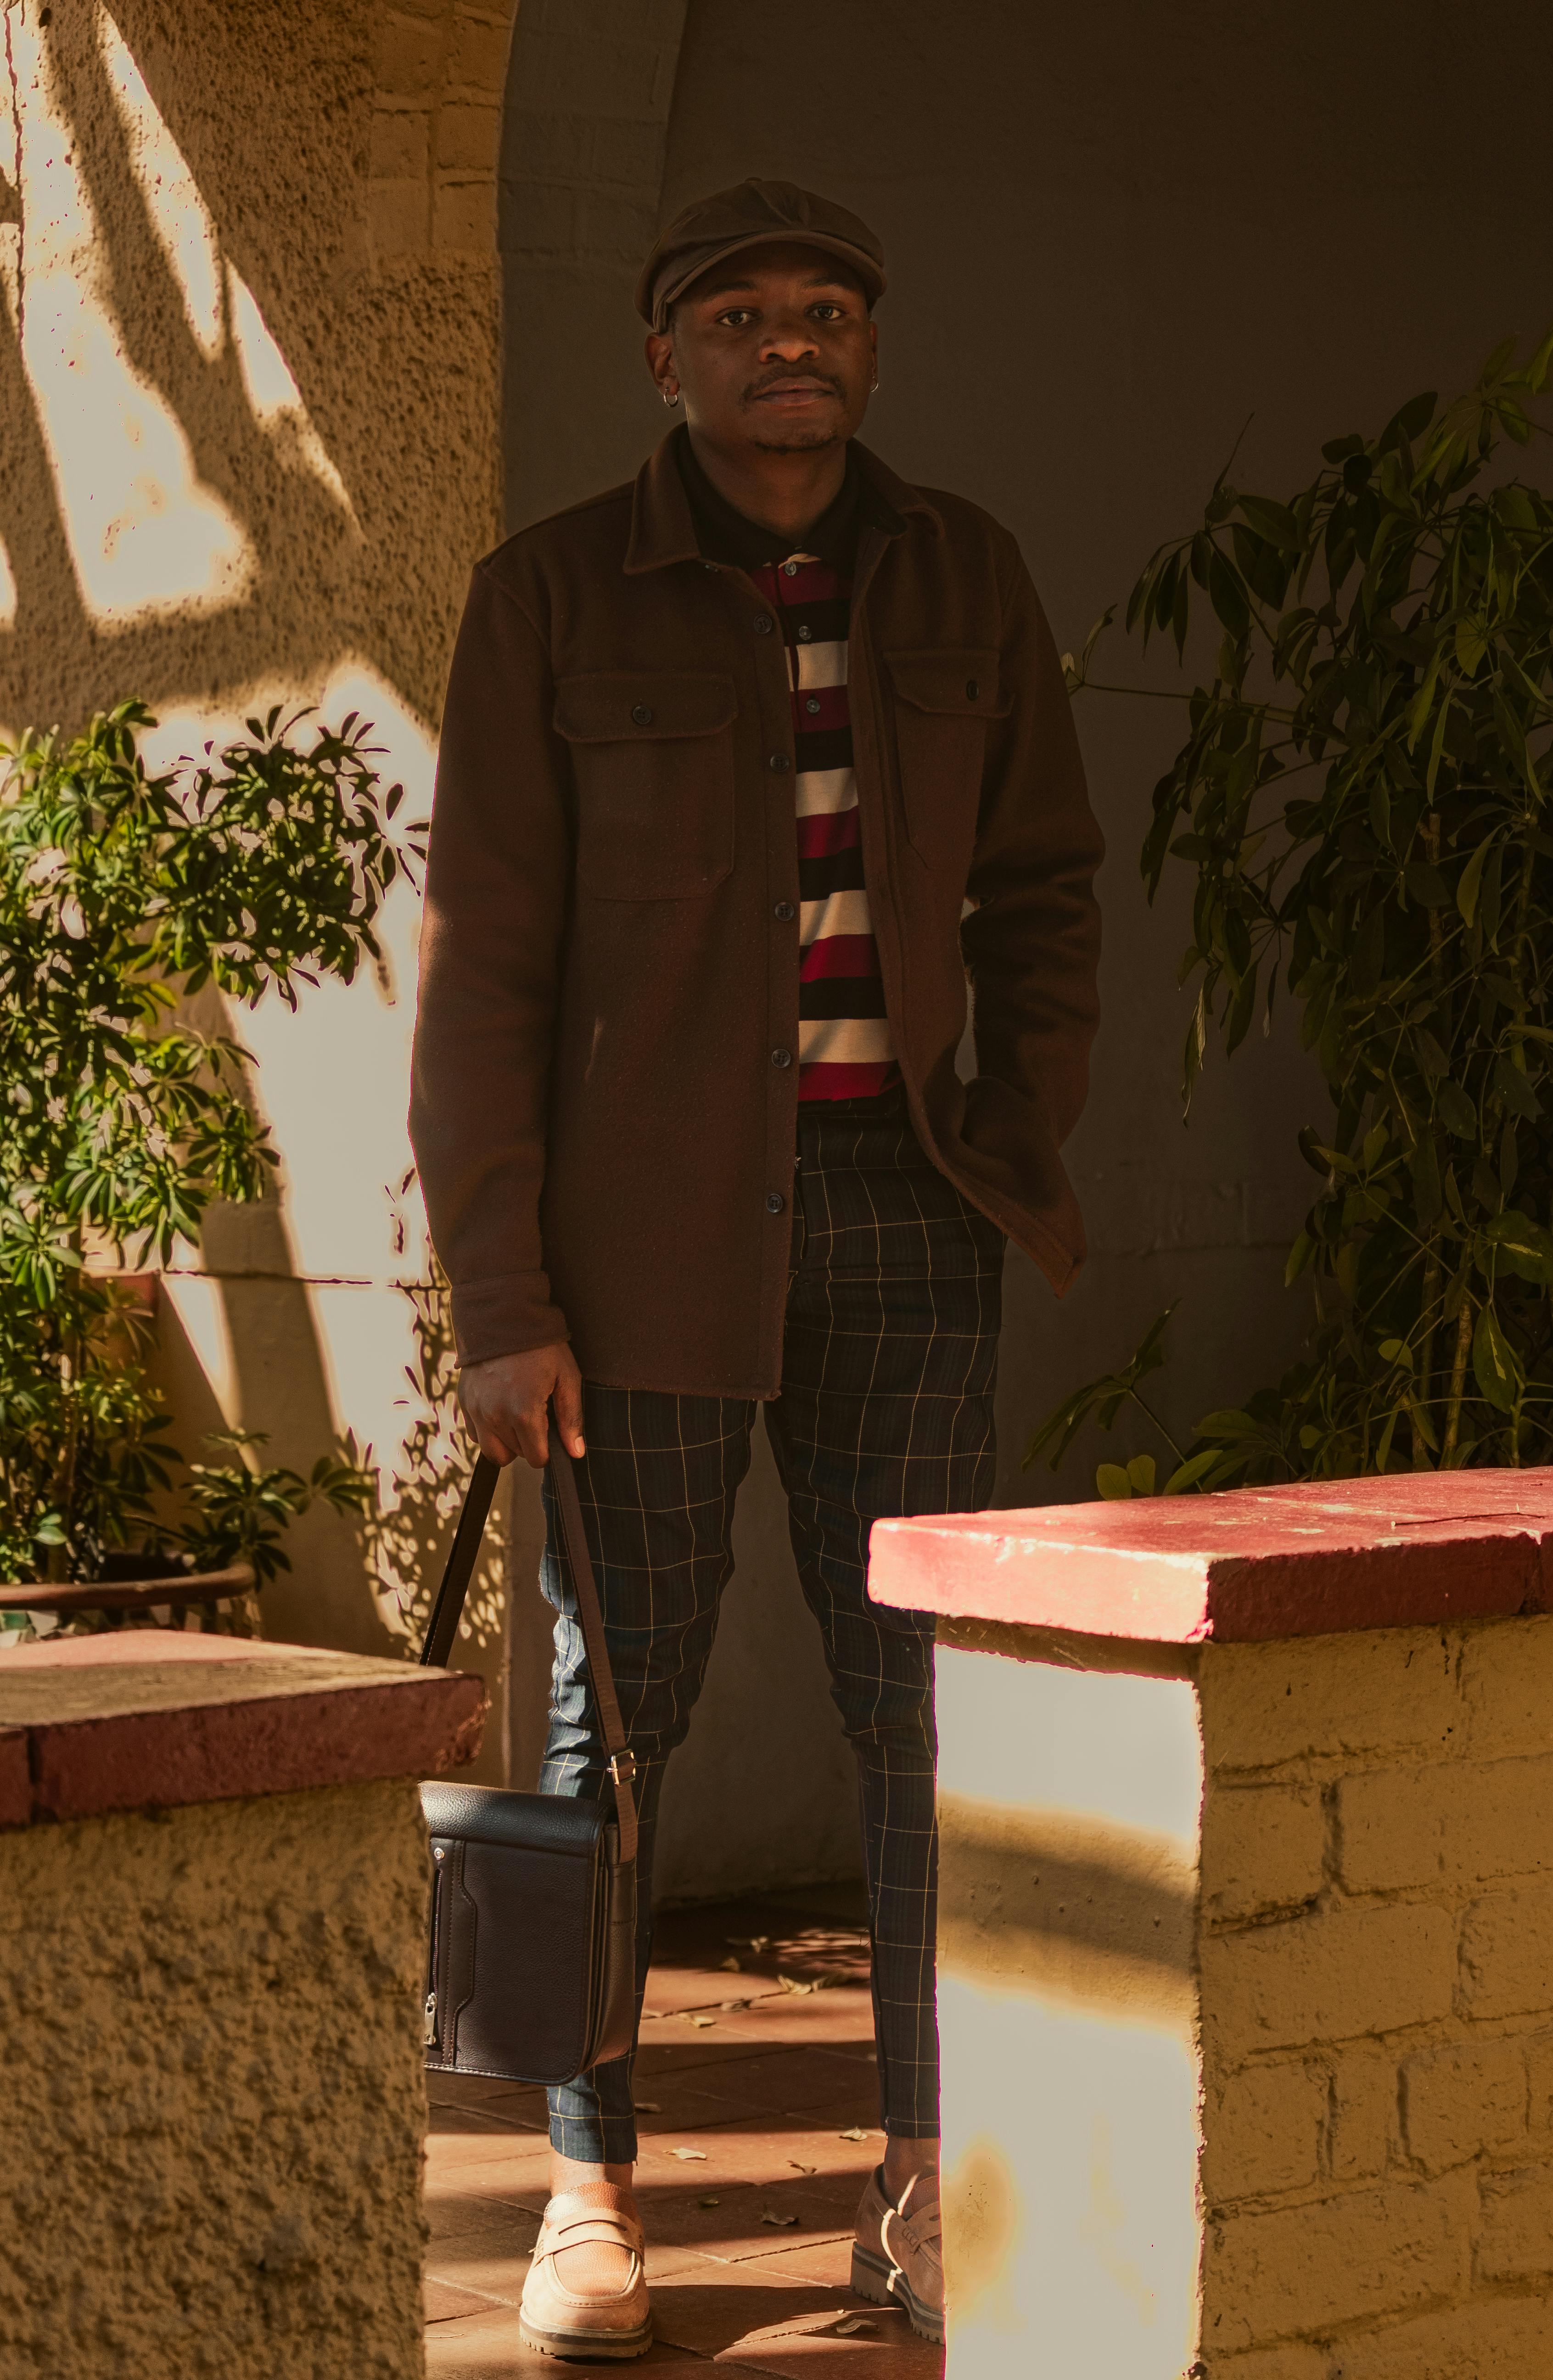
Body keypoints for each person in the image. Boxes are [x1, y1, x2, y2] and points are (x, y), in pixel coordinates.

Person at [409, 176, 1104, 2361]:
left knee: (925, 1717)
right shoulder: (548, 599)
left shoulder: (962, 572)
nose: (787, 342)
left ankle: (913, 2179)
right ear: (665, 356)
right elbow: (484, 970)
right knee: (615, 1730)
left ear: (869, 346)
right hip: (637, 1265)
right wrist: (507, 1299)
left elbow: (1044, 888)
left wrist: (1002, 1134)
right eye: (739, 313)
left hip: (899, 1217)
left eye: (826, 310)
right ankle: (587, 2193)